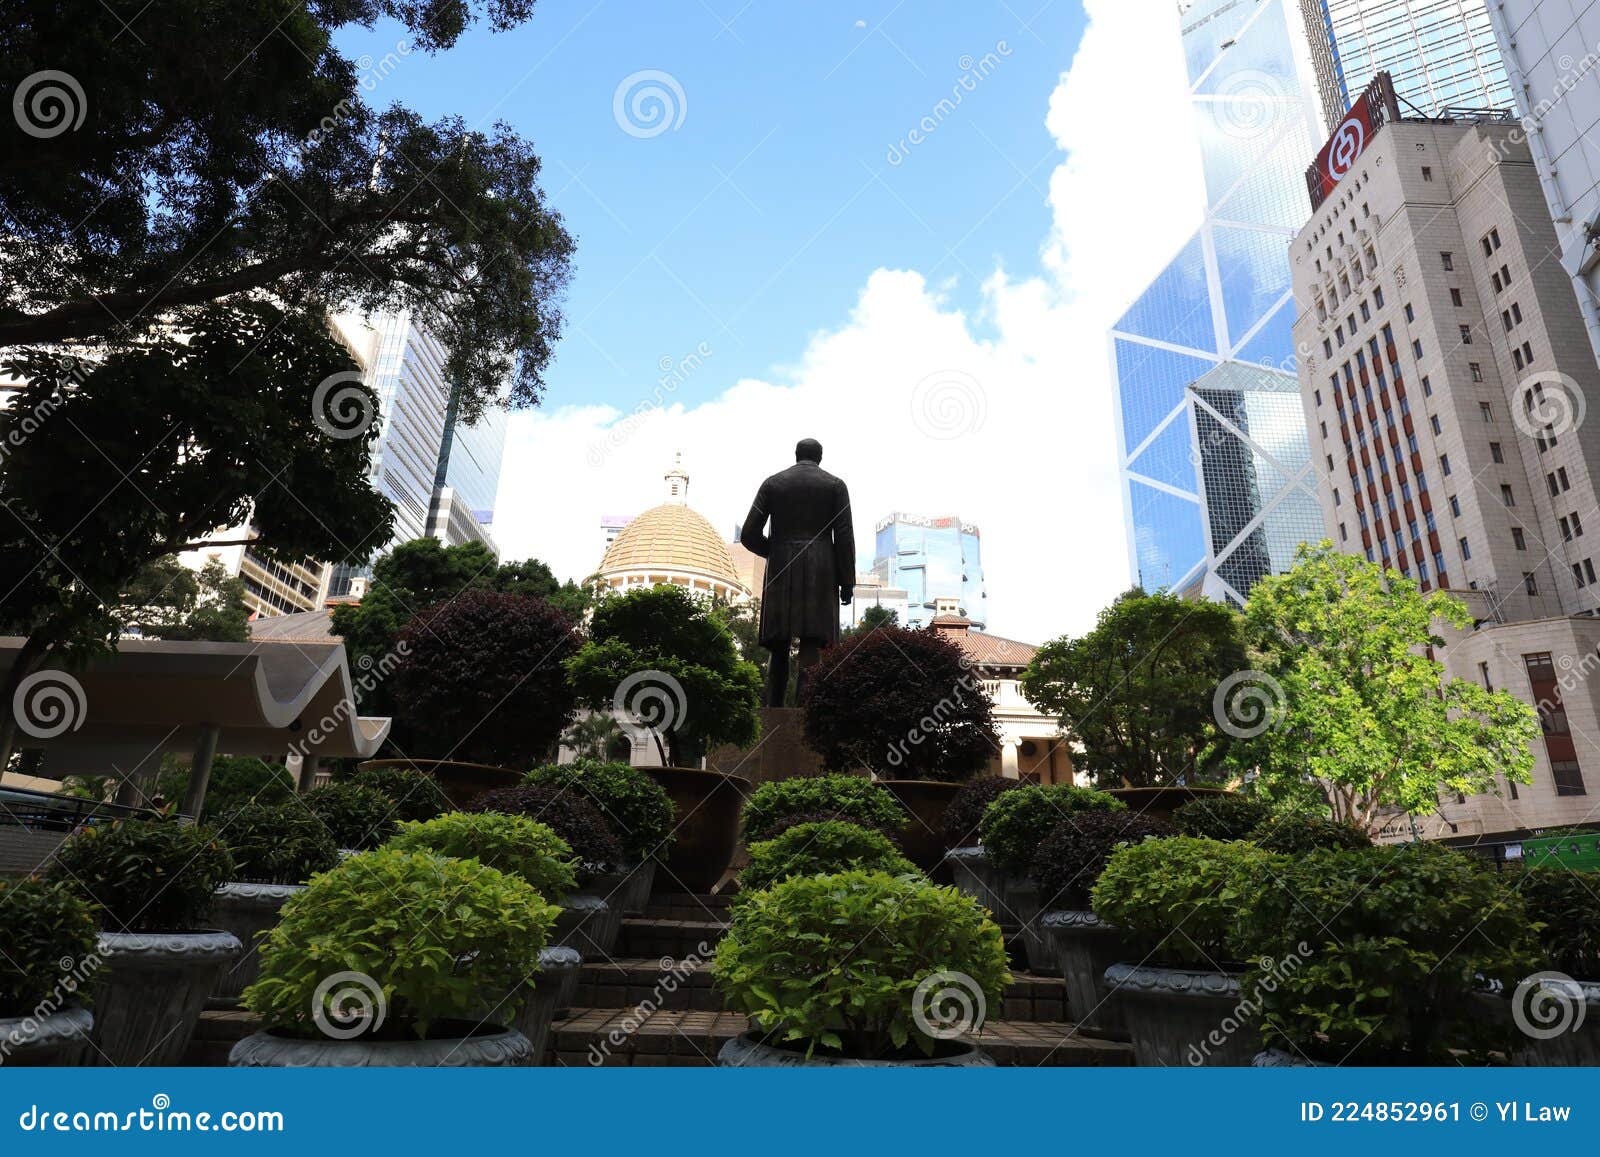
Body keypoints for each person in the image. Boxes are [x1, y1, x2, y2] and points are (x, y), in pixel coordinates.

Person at [739, 438, 855, 707]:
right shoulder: (835, 485)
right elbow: (844, 537)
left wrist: (774, 551)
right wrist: (847, 582)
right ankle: (803, 713)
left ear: (796, 455)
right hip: (821, 570)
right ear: (820, 457)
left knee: (778, 644)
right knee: (812, 643)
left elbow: (748, 534)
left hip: (781, 567)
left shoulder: (772, 483)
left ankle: (772, 710)